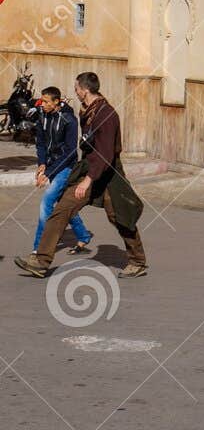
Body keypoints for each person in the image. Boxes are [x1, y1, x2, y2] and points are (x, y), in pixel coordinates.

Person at [15, 72, 147, 279]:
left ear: (84, 90)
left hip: (107, 175)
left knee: (120, 218)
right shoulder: (88, 110)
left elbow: (105, 154)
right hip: (89, 170)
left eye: (76, 88)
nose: (75, 92)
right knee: (61, 210)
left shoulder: (106, 114)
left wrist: (87, 181)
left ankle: (137, 261)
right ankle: (41, 262)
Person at [33, 86, 93, 255]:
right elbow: (41, 143)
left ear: (56, 102)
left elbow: (70, 153)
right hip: (51, 165)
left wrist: (48, 173)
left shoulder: (69, 121)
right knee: (64, 203)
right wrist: (42, 163)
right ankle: (83, 235)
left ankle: (39, 248)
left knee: (46, 203)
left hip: (66, 166)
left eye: (46, 101)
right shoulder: (42, 115)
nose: (42, 104)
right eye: (42, 100)